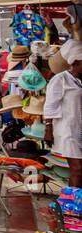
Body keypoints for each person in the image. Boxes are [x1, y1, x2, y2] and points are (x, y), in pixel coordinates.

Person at [43, 39, 82, 188]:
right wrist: (48, 129)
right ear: (77, 62)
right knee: (77, 169)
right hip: (67, 131)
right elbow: (50, 105)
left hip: (79, 130)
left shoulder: (79, 81)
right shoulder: (61, 79)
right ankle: (71, 205)